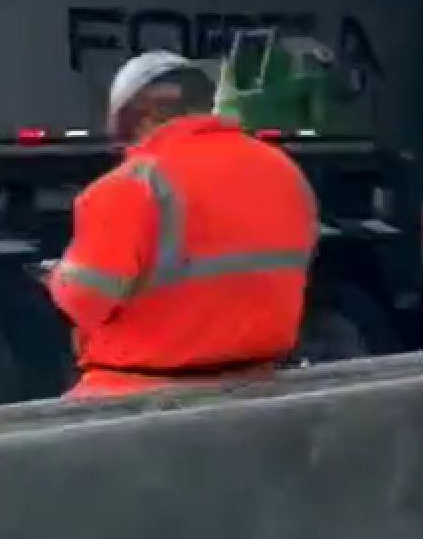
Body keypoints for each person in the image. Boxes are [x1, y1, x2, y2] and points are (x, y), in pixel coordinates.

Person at [47, 50, 320, 400]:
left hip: (143, 392)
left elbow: (87, 297)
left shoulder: (131, 184)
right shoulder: (283, 171)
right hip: (258, 384)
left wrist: (58, 277)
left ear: (143, 115)